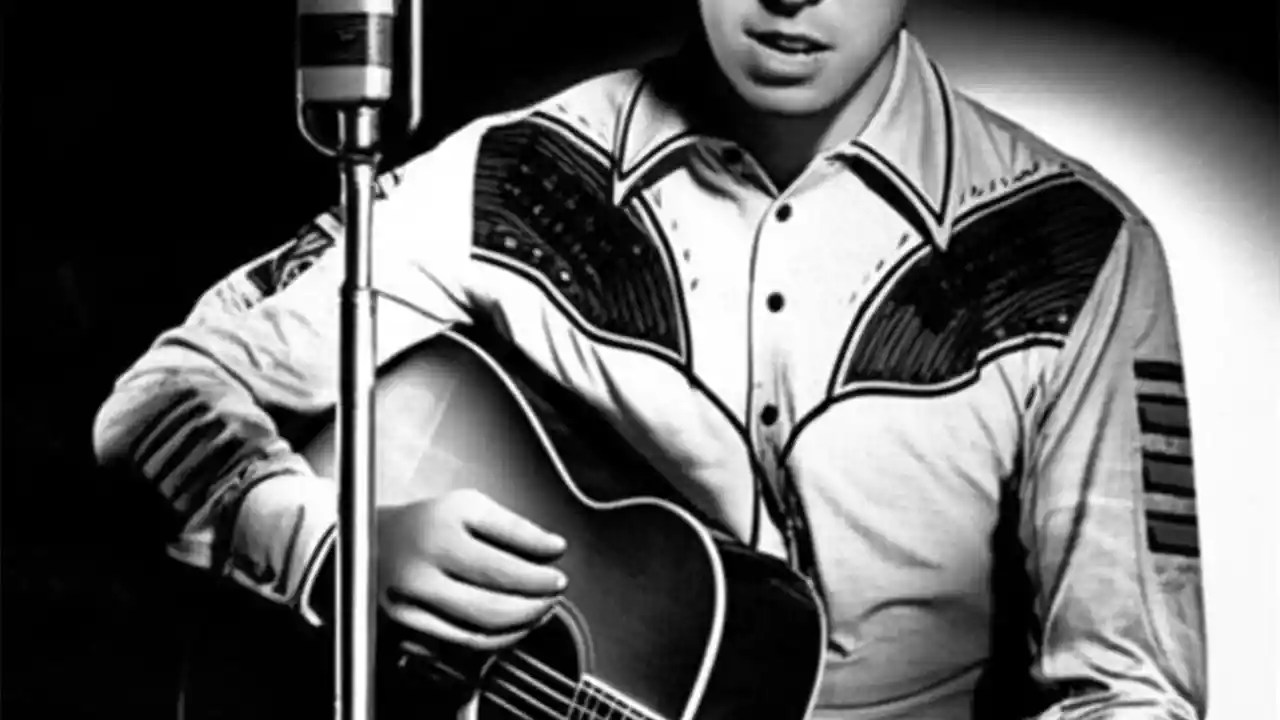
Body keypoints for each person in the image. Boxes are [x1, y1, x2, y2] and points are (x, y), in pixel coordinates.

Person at [91, 0, 1208, 717]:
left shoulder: (1072, 252)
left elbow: (1129, 691)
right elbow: (163, 392)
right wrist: (329, 556)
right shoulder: (508, 178)